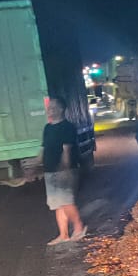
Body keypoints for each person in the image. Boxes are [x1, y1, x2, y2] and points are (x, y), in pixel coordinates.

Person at [42, 95, 86, 245]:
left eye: (53, 108)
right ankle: (63, 235)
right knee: (57, 205)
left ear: (61, 109)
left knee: (66, 202)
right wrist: (33, 165)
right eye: (49, 108)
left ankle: (79, 227)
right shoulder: (47, 128)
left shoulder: (67, 127)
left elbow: (66, 150)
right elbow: (43, 149)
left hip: (64, 171)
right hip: (49, 171)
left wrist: (65, 170)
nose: (50, 111)